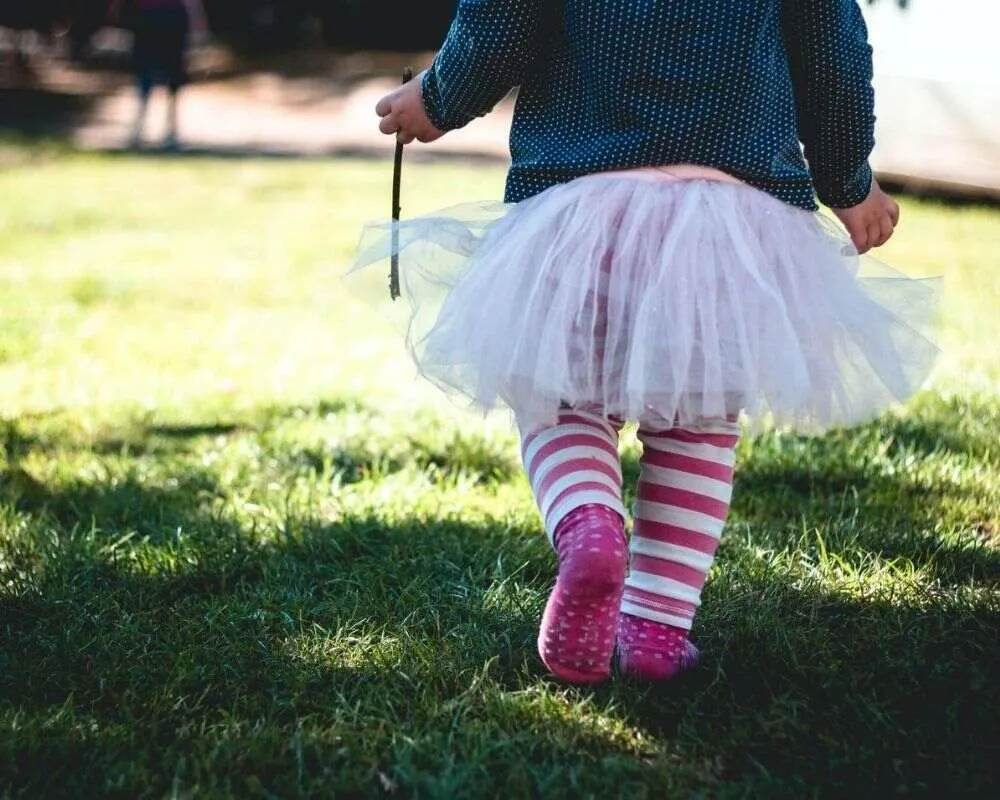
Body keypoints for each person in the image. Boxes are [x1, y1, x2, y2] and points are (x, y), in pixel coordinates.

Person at [358, 1, 939, 685]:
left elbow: (502, 21)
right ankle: (656, 629)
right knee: (698, 425)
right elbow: (831, 54)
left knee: (561, 401)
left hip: (581, 204)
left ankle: (590, 524)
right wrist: (848, 181)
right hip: (731, 220)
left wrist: (438, 98)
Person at [108, 0, 207, 149]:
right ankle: (158, 132)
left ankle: (147, 131)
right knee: (160, 74)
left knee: (155, 74)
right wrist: (198, 23)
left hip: (156, 18)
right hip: (162, 18)